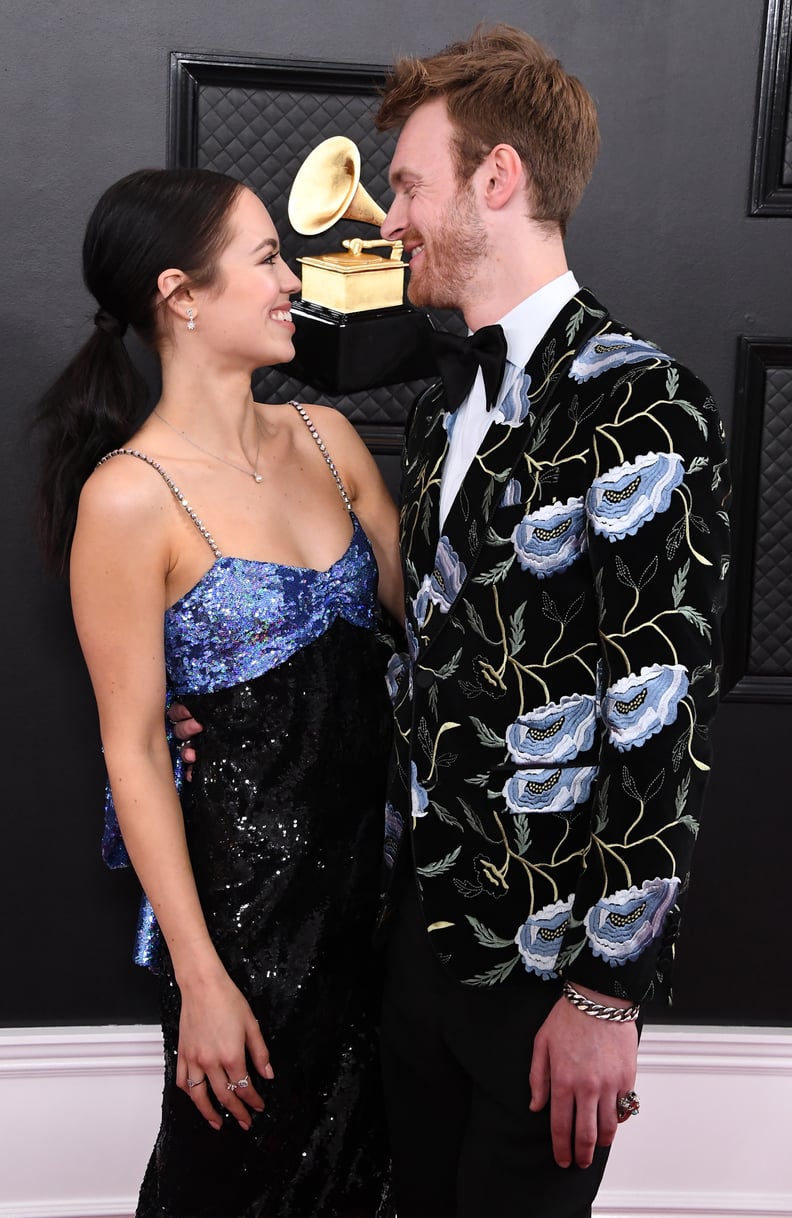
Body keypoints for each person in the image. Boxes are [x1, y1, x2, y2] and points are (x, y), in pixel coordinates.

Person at [368, 24, 731, 1218]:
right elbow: (426, 662)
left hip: (548, 982)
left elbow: (663, 720)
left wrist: (607, 995)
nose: (389, 215)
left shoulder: (645, 402)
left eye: (408, 183)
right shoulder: (437, 409)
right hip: (417, 944)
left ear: (499, 177)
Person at [35, 167, 401, 1218]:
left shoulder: (328, 443)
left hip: (382, 909)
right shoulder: (127, 497)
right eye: (268, 258)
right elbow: (136, 749)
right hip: (250, 928)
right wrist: (200, 976)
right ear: (180, 294)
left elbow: (441, 626)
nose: (293, 280)